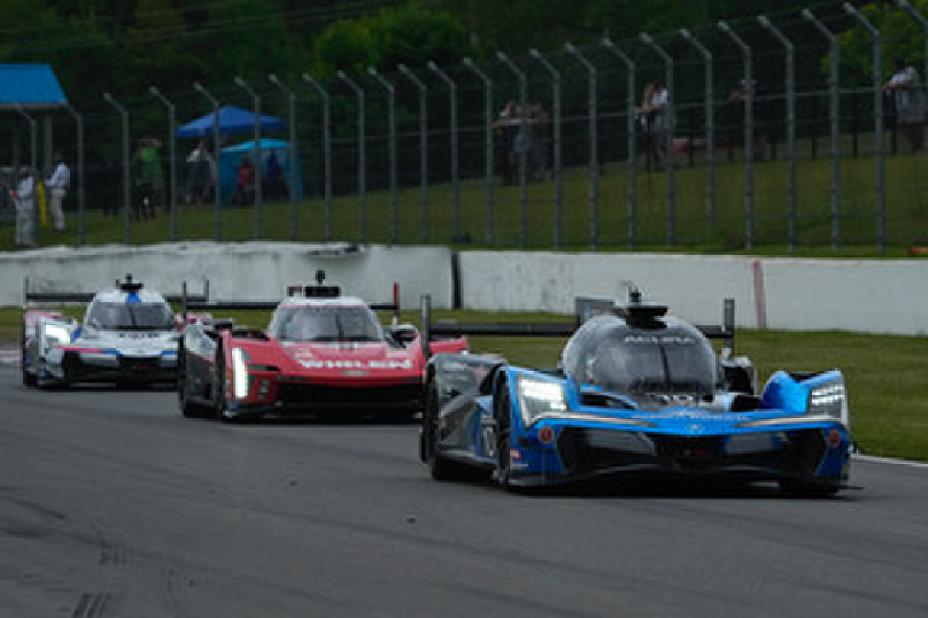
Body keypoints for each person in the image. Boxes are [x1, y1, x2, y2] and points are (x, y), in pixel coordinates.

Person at [885, 58, 926, 153]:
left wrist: (893, 86)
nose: (893, 68)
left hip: (915, 104)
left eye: (894, 65)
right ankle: (913, 145)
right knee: (904, 125)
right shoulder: (896, 76)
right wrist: (889, 87)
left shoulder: (911, 71)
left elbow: (907, 83)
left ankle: (919, 146)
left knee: (916, 124)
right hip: (903, 107)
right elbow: (888, 87)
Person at [11, 167, 35, 246]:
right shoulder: (22, 181)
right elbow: (20, 191)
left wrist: (17, 194)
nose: (21, 173)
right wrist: (15, 193)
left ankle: (26, 240)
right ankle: (18, 240)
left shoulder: (31, 180)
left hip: (27, 204)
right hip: (20, 204)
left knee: (27, 222)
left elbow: (27, 192)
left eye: (23, 172)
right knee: (19, 222)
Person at [45, 154, 69, 231]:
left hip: (57, 189)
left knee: (56, 209)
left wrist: (45, 182)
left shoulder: (59, 169)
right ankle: (58, 225)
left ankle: (60, 226)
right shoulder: (66, 168)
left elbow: (53, 182)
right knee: (56, 208)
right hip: (62, 189)